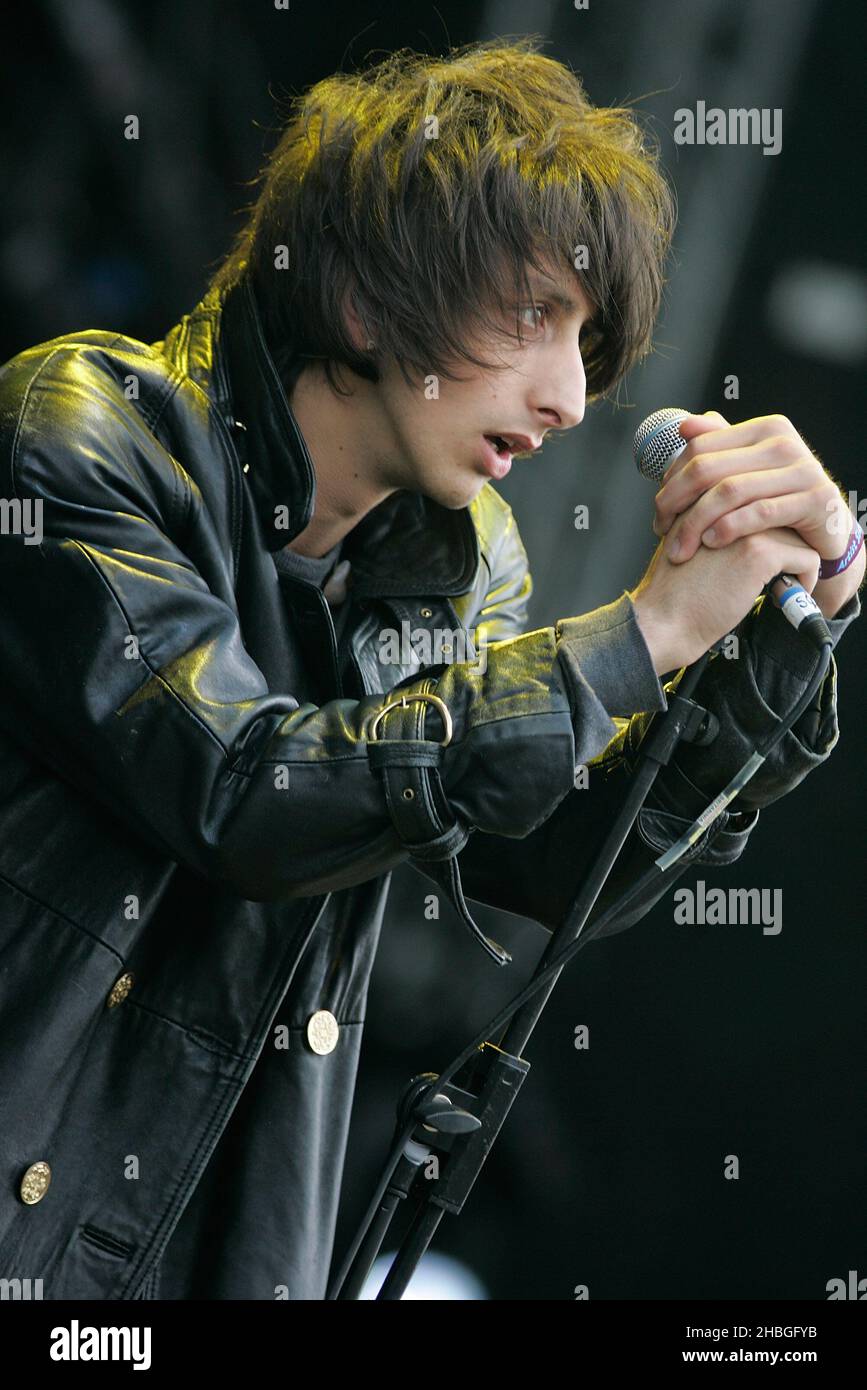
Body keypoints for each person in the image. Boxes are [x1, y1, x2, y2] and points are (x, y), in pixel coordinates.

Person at [0, 36, 861, 1302]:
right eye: (534, 317)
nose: (573, 394)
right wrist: (641, 635)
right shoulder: (80, 438)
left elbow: (555, 862)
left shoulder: (460, 565)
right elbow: (245, 787)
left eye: (587, 339)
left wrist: (784, 634)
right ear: (363, 297)